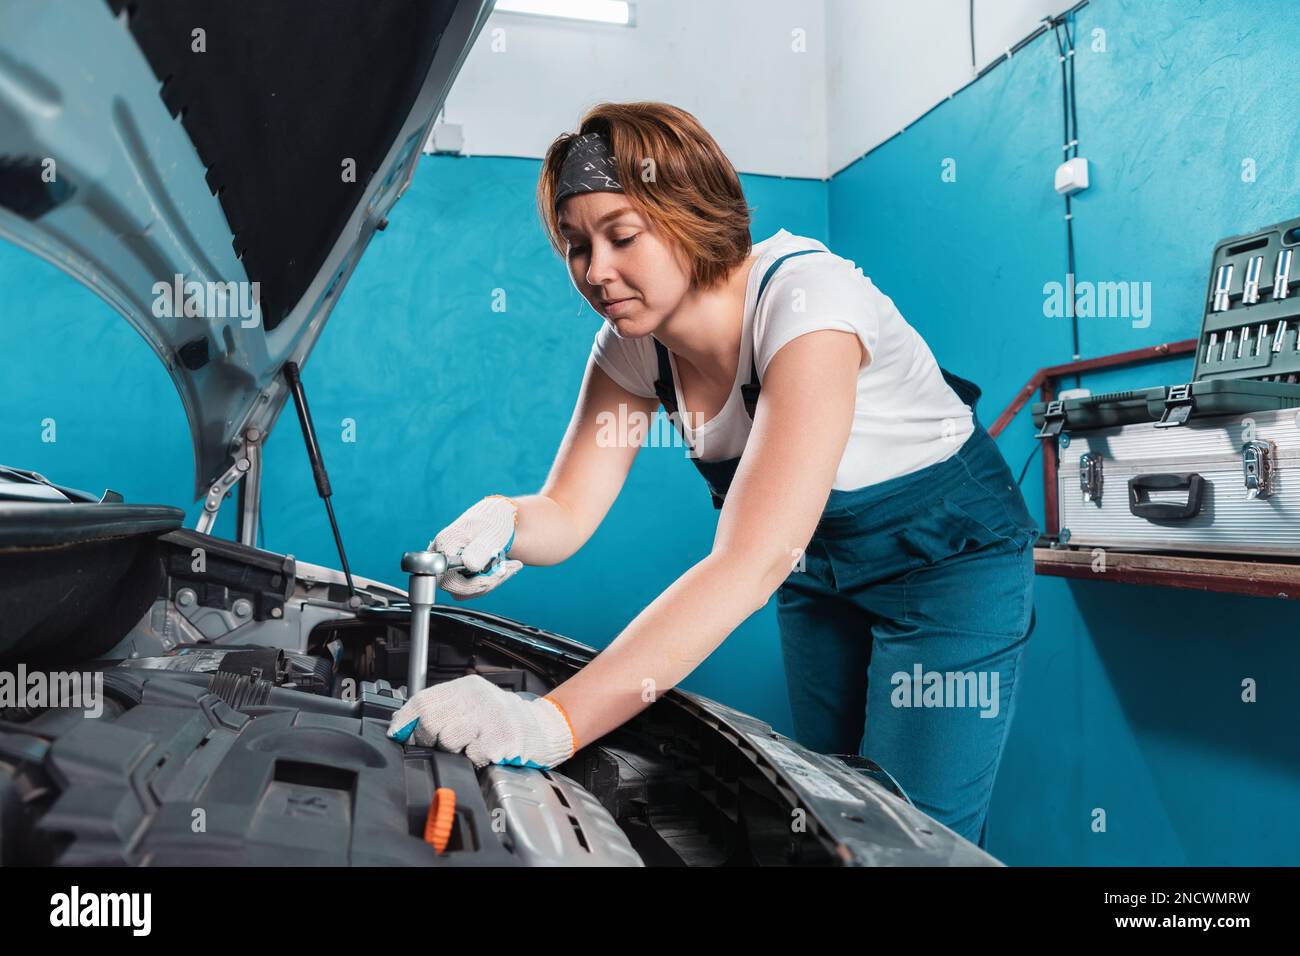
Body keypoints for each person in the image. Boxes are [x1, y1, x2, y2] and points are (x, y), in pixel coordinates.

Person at [388, 101, 1039, 847]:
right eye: (575, 245)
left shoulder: (807, 304)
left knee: (912, 841)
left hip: (947, 564)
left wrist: (547, 724)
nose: (596, 271)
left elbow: (750, 559)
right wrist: (505, 521)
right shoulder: (632, 349)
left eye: (621, 235)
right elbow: (566, 511)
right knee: (834, 818)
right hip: (815, 572)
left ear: (689, 211)